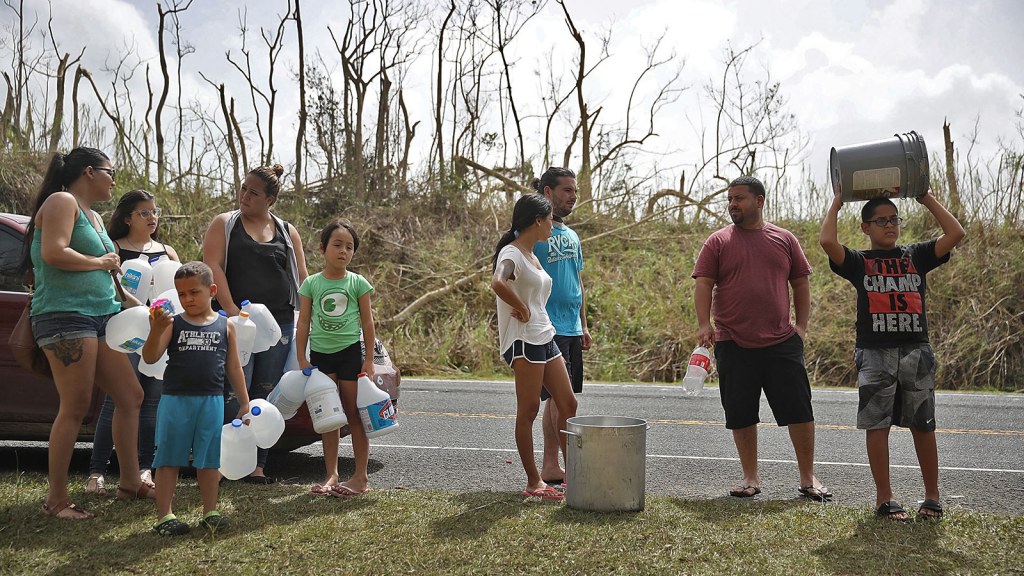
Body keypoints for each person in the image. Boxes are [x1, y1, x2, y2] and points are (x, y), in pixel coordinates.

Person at [22, 147, 154, 519]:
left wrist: (141, 308)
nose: (114, 180)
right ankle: (56, 500)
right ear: (90, 172)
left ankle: (130, 483)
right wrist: (100, 261)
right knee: (76, 406)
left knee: (131, 395)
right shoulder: (62, 201)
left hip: (102, 317)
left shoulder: (94, 216)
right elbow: (53, 252)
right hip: (66, 316)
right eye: (111, 172)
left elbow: (110, 279)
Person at [819, 190, 964, 521]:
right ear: (865, 228)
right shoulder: (859, 262)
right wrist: (837, 202)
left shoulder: (917, 255)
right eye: (881, 220)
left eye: (894, 219)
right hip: (874, 353)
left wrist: (925, 197)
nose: (889, 225)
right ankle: (884, 498)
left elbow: (956, 233)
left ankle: (932, 497)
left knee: (923, 425)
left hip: (916, 351)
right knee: (877, 424)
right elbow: (827, 241)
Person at [692, 175, 831, 501]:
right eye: (730, 199)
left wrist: (801, 328)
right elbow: (703, 283)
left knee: (799, 409)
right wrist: (703, 323)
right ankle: (750, 477)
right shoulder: (718, 241)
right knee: (740, 412)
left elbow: (801, 283)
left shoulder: (784, 239)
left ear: (759, 201)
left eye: (739, 198)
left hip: (781, 340)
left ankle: (808, 478)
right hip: (732, 340)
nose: (732, 204)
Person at [203, 164, 308, 484]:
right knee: (235, 391)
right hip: (237, 323)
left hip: (279, 326)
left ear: (270, 200)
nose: (245, 195)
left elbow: (302, 278)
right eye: (243, 188)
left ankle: (257, 466)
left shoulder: (287, 231)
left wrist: (309, 318)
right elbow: (212, 266)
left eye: (254, 192)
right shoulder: (225, 223)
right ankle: (224, 464)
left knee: (266, 393)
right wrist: (233, 311)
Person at [142, 261, 250, 535]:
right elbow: (150, 357)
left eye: (194, 292)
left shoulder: (227, 326)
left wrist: (245, 402)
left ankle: (210, 511)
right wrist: (156, 330)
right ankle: (164, 515)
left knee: (209, 458)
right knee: (168, 458)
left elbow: (234, 367)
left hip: (212, 401)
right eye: (182, 294)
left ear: (212, 290)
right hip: (175, 400)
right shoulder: (173, 323)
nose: (187, 299)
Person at [87, 190, 180, 496]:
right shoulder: (115, 248)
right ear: (127, 218)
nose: (152, 218)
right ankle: (97, 472)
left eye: (155, 212)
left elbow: (178, 294)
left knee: (151, 402)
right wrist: (141, 307)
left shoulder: (168, 252)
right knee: (116, 401)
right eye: (144, 213)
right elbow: (108, 289)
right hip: (124, 332)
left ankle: (144, 470)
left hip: (159, 332)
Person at [491, 194, 578, 501]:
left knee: (568, 403)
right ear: (537, 220)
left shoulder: (531, 255)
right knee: (528, 410)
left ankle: (574, 475)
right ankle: (534, 482)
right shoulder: (512, 253)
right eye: (549, 219)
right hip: (523, 340)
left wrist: (530, 309)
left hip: (545, 335)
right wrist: (521, 307)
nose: (553, 225)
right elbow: (498, 282)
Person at [296, 220, 377, 497]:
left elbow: (368, 322)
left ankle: (360, 477)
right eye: (337, 245)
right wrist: (301, 357)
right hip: (321, 356)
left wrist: (369, 360)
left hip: (350, 355)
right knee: (329, 417)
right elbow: (303, 322)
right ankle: (331, 475)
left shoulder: (357, 283)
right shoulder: (311, 284)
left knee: (354, 414)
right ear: (323, 248)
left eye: (349, 247)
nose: (343, 251)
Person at [530, 167, 591, 485]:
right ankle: (571, 468)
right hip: (547, 328)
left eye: (575, 191)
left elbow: (577, 281)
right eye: (567, 190)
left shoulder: (572, 235)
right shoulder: (534, 232)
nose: (573, 196)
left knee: (555, 400)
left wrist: (584, 324)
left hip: (571, 328)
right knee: (561, 399)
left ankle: (551, 466)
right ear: (547, 192)